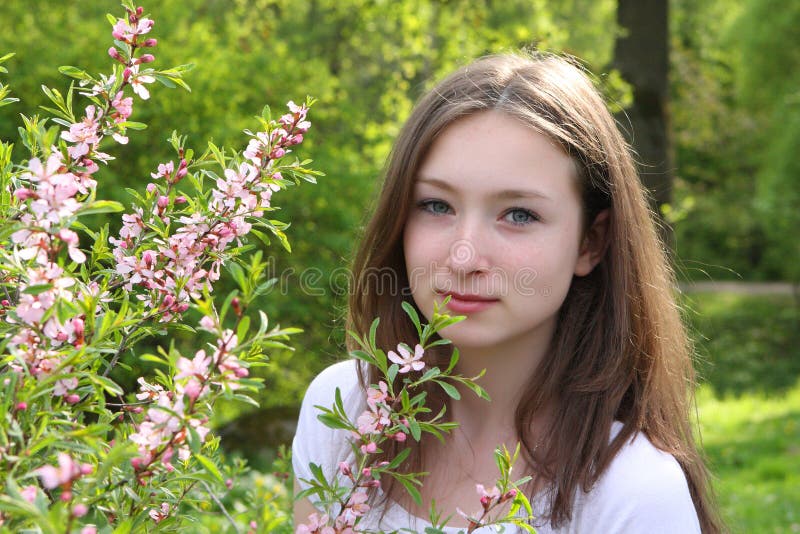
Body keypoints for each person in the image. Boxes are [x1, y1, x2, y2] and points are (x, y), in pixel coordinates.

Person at [292, 52, 723, 533]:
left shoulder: (632, 494)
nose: (463, 256)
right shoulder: (344, 412)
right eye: (436, 205)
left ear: (591, 242)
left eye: (518, 214)